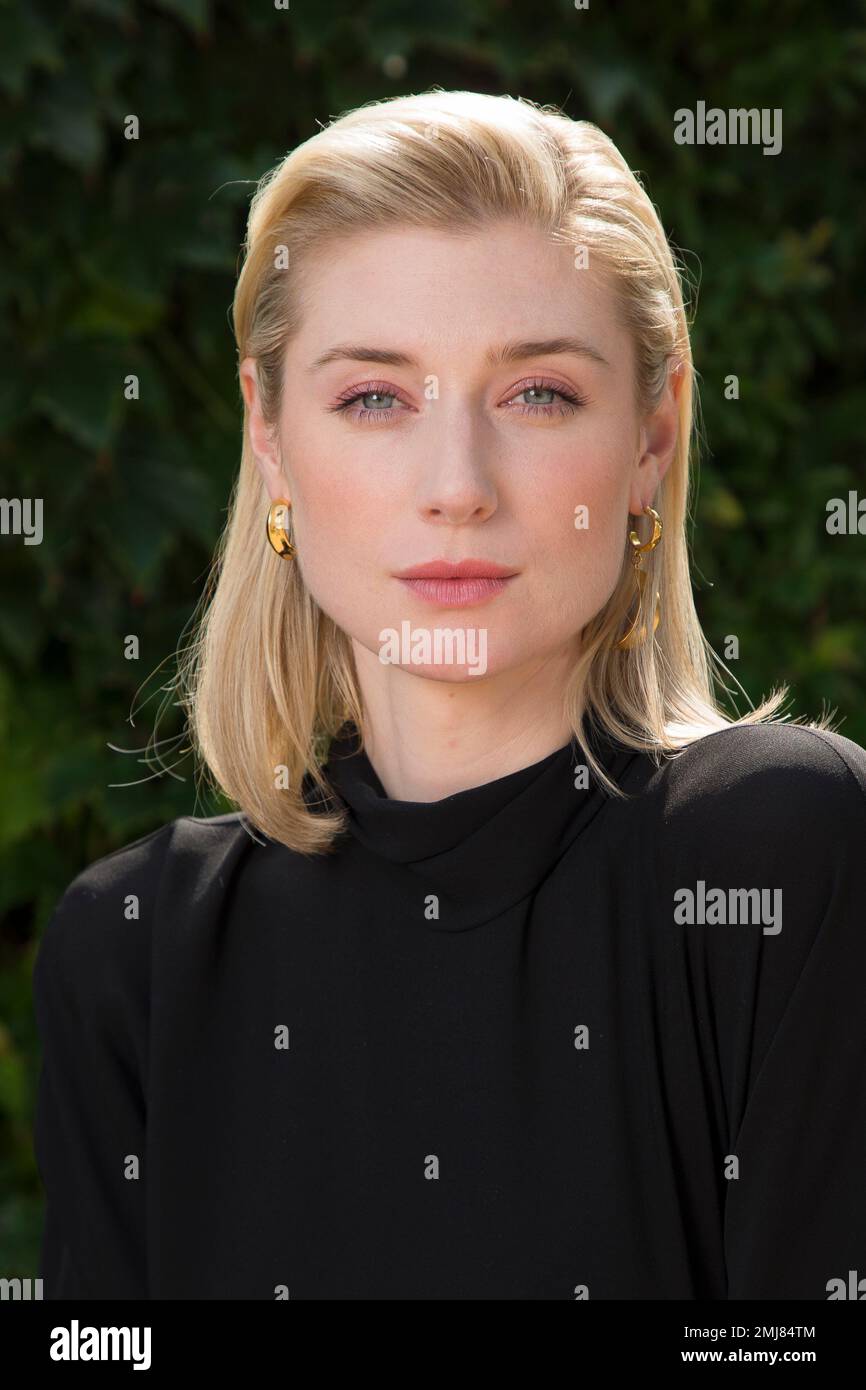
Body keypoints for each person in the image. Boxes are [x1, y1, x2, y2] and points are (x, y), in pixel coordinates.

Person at [33, 90, 866, 1300]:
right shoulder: (136, 949)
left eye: (537, 393)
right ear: (269, 433)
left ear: (651, 437)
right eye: (374, 397)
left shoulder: (779, 851)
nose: (456, 486)